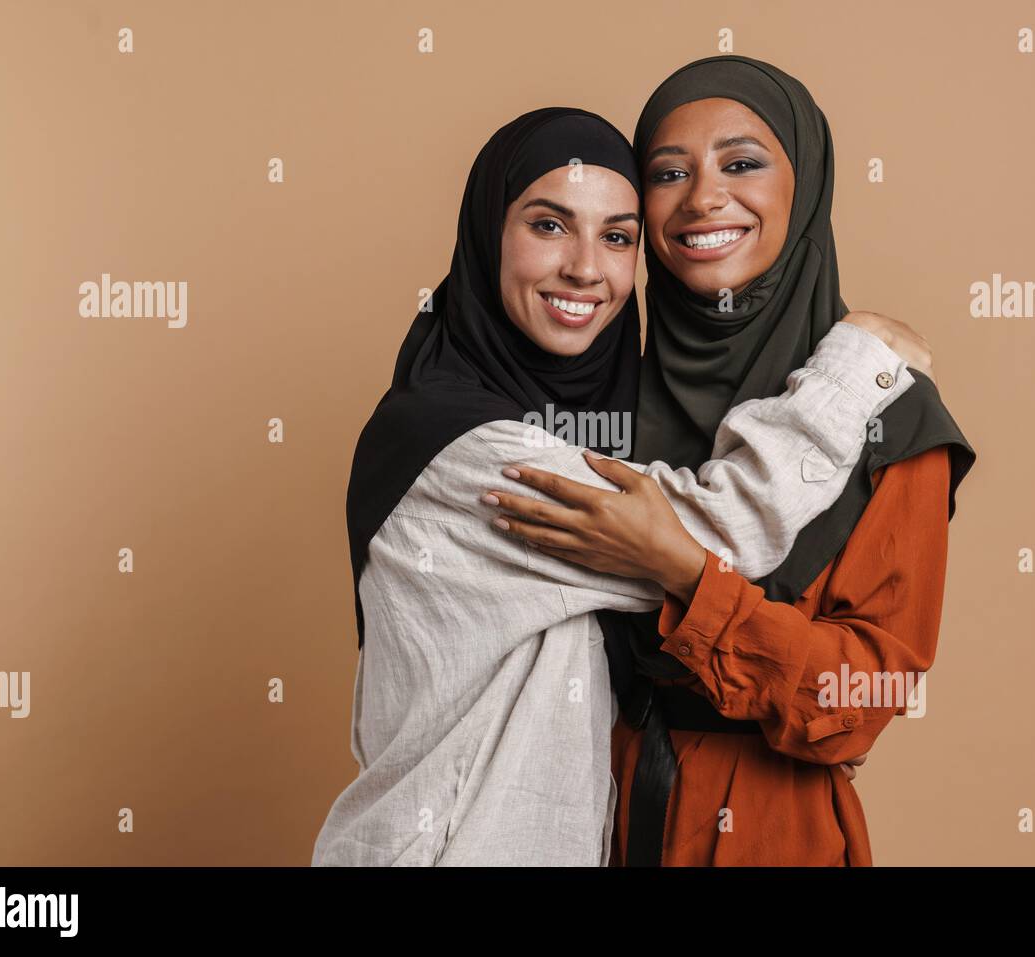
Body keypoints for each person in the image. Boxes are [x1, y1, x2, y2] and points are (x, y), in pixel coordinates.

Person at [312, 105, 928, 866]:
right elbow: (716, 526)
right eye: (547, 225)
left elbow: (858, 686)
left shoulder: (613, 412)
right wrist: (858, 369)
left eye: (616, 237)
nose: (585, 267)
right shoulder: (458, 445)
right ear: (485, 235)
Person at [484, 58, 976, 865]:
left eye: (742, 164)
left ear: (805, 184)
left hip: (765, 832)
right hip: (575, 811)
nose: (704, 198)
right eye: (668, 174)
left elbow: (865, 696)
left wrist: (683, 572)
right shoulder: (598, 388)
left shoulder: (889, 418)